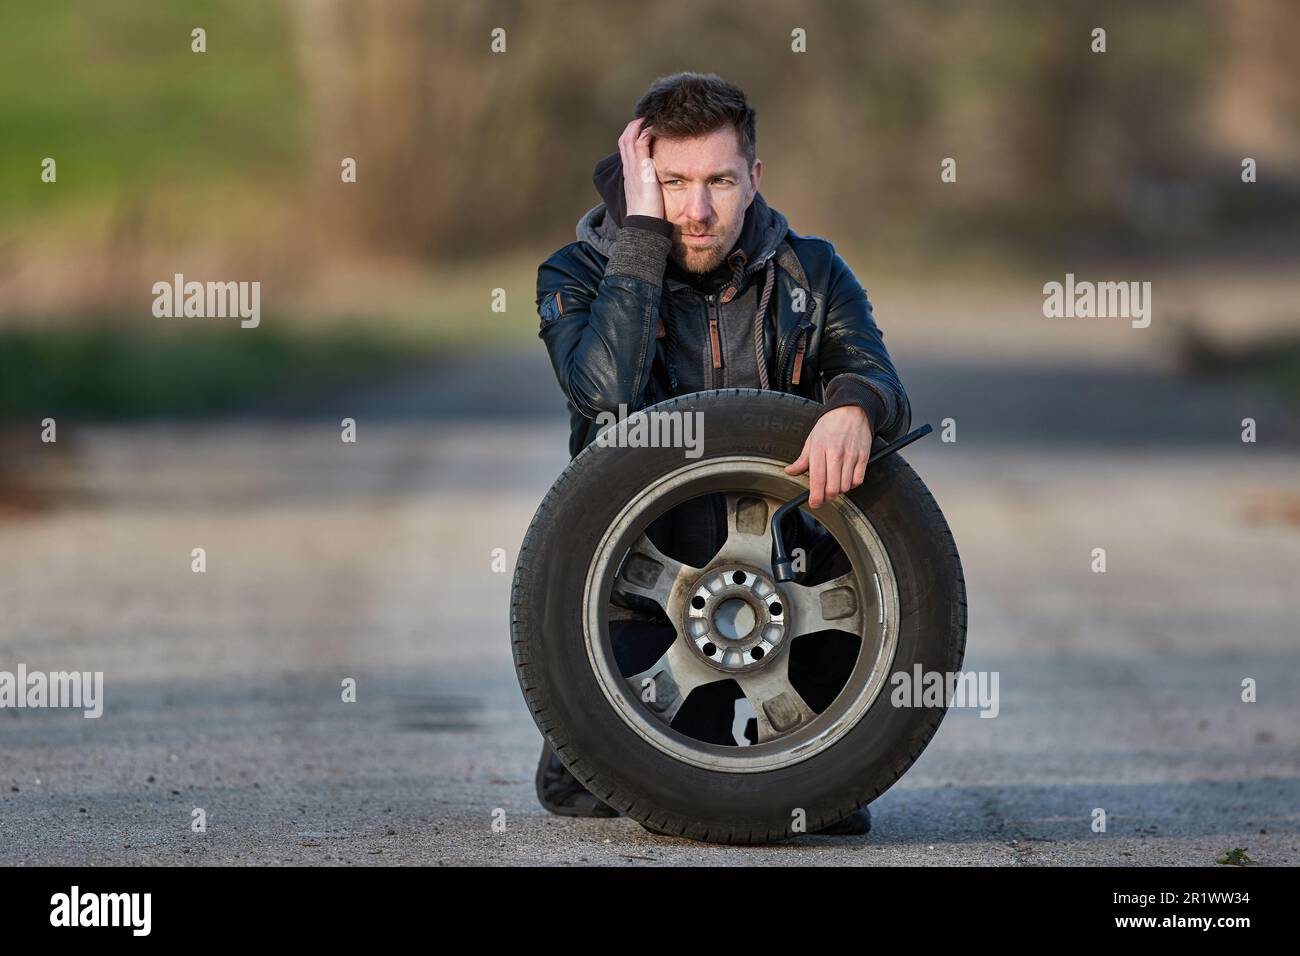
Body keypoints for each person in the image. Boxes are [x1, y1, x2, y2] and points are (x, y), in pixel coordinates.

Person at [533, 72, 910, 837]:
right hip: (641, 589)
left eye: (719, 182)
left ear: (754, 178)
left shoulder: (813, 272)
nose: (697, 211)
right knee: (647, 794)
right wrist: (639, 238)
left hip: (793, 587)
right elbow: (603, 400)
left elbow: (877, 375)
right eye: (672, 182)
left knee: (827, 812)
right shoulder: (573, 275)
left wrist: (853, 406)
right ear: (637, 181)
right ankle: (583, 743)